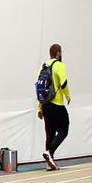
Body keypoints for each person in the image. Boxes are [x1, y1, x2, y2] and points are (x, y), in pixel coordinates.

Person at [37, 42, 72, 170]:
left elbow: (40, 89)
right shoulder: (59, 65)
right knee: (64, 129)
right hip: (56, 104)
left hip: (46, 105)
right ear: (58, 53)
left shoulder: (43, 67)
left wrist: (40, 108)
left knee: (50, 134)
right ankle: (49, 152)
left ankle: (49, 163)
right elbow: (63, 83)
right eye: (61, 52)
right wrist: (68, 96)